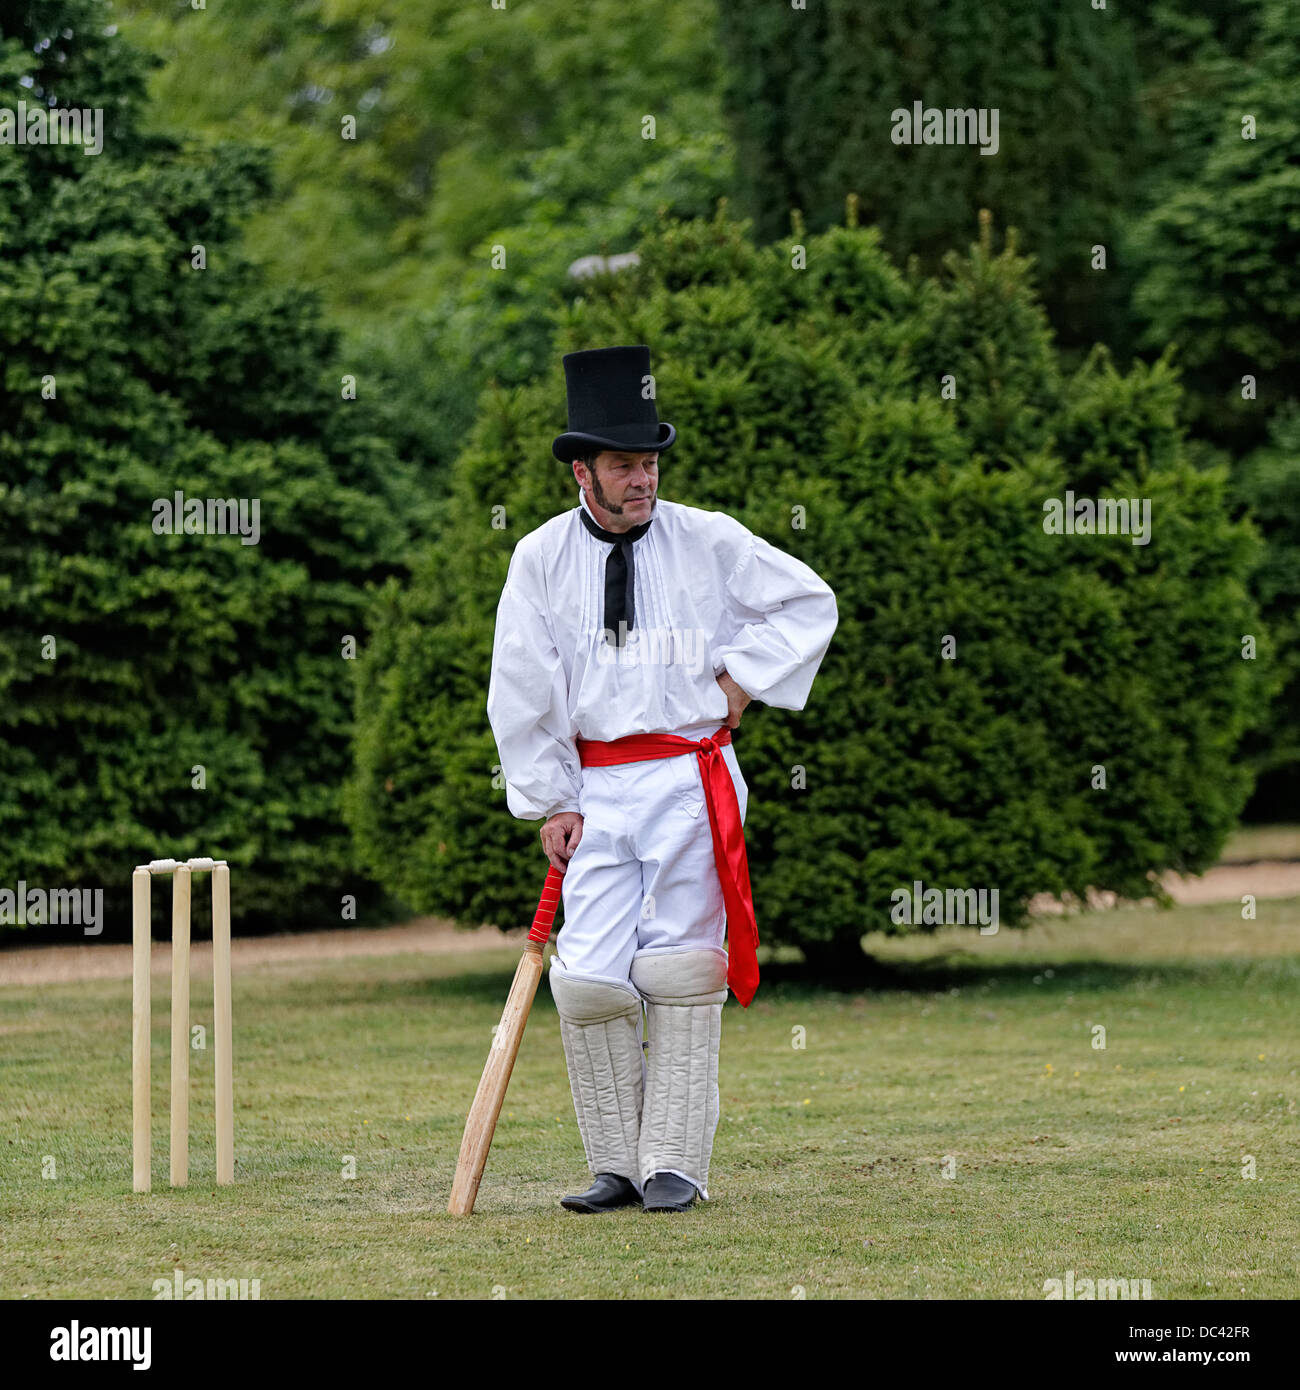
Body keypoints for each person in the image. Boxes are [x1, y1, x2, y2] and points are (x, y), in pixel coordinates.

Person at [487, 344, 838, 1213]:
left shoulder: (708, 538)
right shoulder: (538, 558)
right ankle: (616, 1163)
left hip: (690, 776)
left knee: (683, 967)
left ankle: (675, 1165)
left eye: (648, 462)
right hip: (598, 790)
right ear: (583, 471)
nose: (642, 479)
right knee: (593, 977)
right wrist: (551, 799)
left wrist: (739, 682)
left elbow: (808, 603)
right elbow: (524, 685)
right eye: (623, 465)